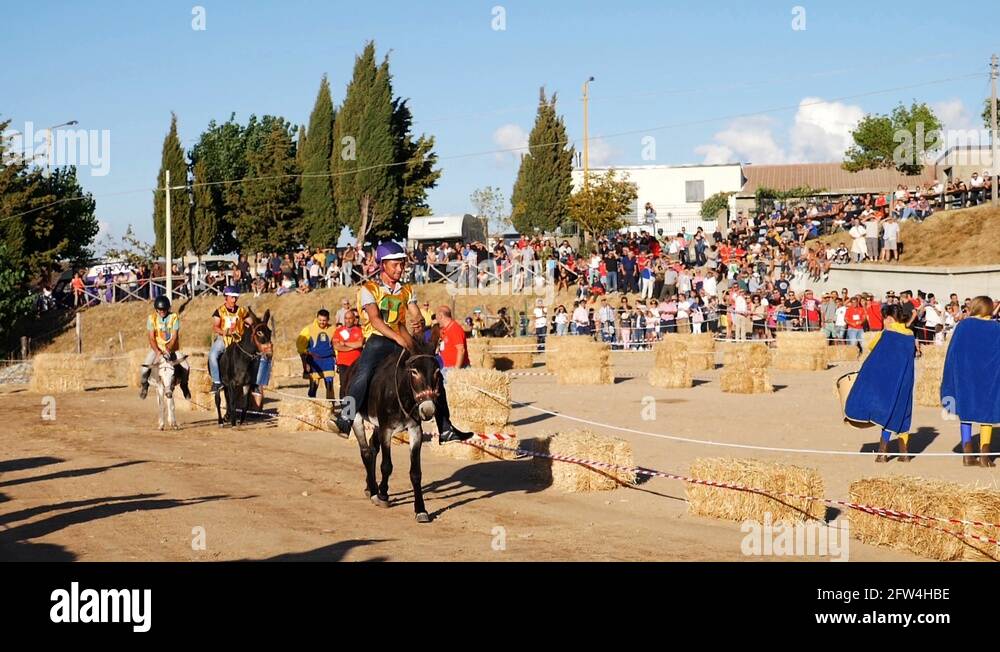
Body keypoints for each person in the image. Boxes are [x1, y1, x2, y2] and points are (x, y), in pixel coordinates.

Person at [330, 241, 472, 444]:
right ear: (383, 265)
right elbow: (376, 320)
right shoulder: (368, 289)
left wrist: (419, 323)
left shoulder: (406, 290)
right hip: (378, 340)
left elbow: (415, 313)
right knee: (362, 374)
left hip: (402, 340)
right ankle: (346, 417)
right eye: (395, 264)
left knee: (430, 370)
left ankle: (445, 427)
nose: (400, 268)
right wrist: (397, 337)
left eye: (402, 264)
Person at [844, 304, 916, 463]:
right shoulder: (910, 335)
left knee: (887, 412)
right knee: (903, 411)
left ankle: (882, 453)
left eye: (885, 318)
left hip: (887, 379)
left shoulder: (887, 334)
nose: (884, 321)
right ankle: (904, 453)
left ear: (890, 318)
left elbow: (872, 348)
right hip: (905, 379)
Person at [940, 296, 1000, 467]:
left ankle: (967, 454)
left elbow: (953, 351)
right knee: (987, 414)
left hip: (966, 375)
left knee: (965, 411)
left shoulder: (964, 326)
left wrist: (951, 374)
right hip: (989, 377)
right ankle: (984, 456)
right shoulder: (997, 328)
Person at [139, 295, 191, 400]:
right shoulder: (151, 318)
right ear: (156, 309)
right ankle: (145, 385)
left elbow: (174, 336)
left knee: (186, 366)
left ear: (168, 309)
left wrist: (168, 349)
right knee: (144, 368)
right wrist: (157, 351)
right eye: (159, 310)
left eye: (164, 310)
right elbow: (151, 338)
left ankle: (184, 385)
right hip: (157, 349)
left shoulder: (174, 317)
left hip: (172, 349)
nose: (162, 312)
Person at [208, 287, 251, 393]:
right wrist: (225, 332)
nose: (234, 300)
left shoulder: (242, 311)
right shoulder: (219, 311)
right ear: (226, 297)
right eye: (232, 298)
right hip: (224, 340)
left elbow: (251, 323)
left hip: (239, 342)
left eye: (236, 298)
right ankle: (217, 382)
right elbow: (215, 327)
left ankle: (254, 382)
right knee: (212, 355)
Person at [296, 309, 338, 400]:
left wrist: (337, 357)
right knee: (313, 386)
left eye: (324, 320)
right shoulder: (308, 329)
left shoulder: (333, 329)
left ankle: (331, 406)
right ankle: (312, 404)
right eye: (320, 320)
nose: (322, 322)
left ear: (328, 319)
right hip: (314, 360)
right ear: (317, 318)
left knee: (329, 384)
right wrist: (304, 353)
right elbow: (300, 343)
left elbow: (336, 343)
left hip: (328, 360)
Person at [436, 305, 468, 373]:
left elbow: (461, 350)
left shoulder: (455, 328)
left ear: (441, 316)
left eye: (437, 317)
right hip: (446, 367)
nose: (437, 320)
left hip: (454, 368)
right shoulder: (445, 329)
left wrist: (456, 371)